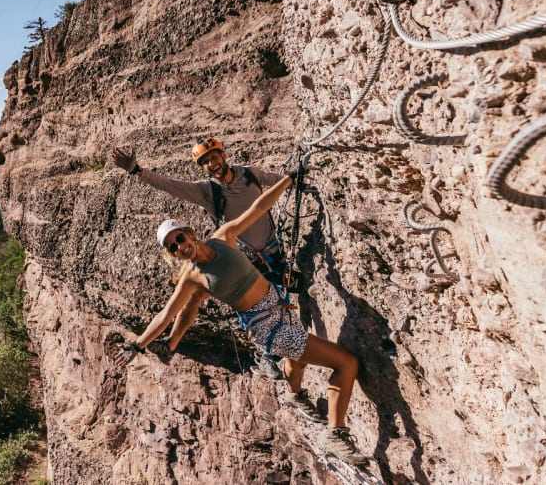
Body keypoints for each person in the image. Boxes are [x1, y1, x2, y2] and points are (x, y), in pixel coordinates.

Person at [116, 175, 367, 466]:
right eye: (173, 247)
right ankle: (336, 434)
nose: (180, 247)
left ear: (189, 233)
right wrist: (138, 345)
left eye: (179, 238)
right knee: (346, 363)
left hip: (279, 307)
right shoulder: (192, 279)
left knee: (298, 362)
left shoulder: (223, 237)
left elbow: (258, 208)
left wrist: (288, 180)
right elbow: (167, 314)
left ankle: (296, 394)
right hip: (267, 328)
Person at [112, 137, 298, 379]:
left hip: (273, 249)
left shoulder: (250, 174)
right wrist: (137, 171)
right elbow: (170, 185)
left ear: (223, 155)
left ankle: (171, 344)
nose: (212, 163)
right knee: (253, 304)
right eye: (205, 162)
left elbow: (270, 194)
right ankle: (267, 356)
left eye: (214, 157)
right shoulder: (208, 192)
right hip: (246, 257)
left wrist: (293, 178)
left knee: (204, 294)